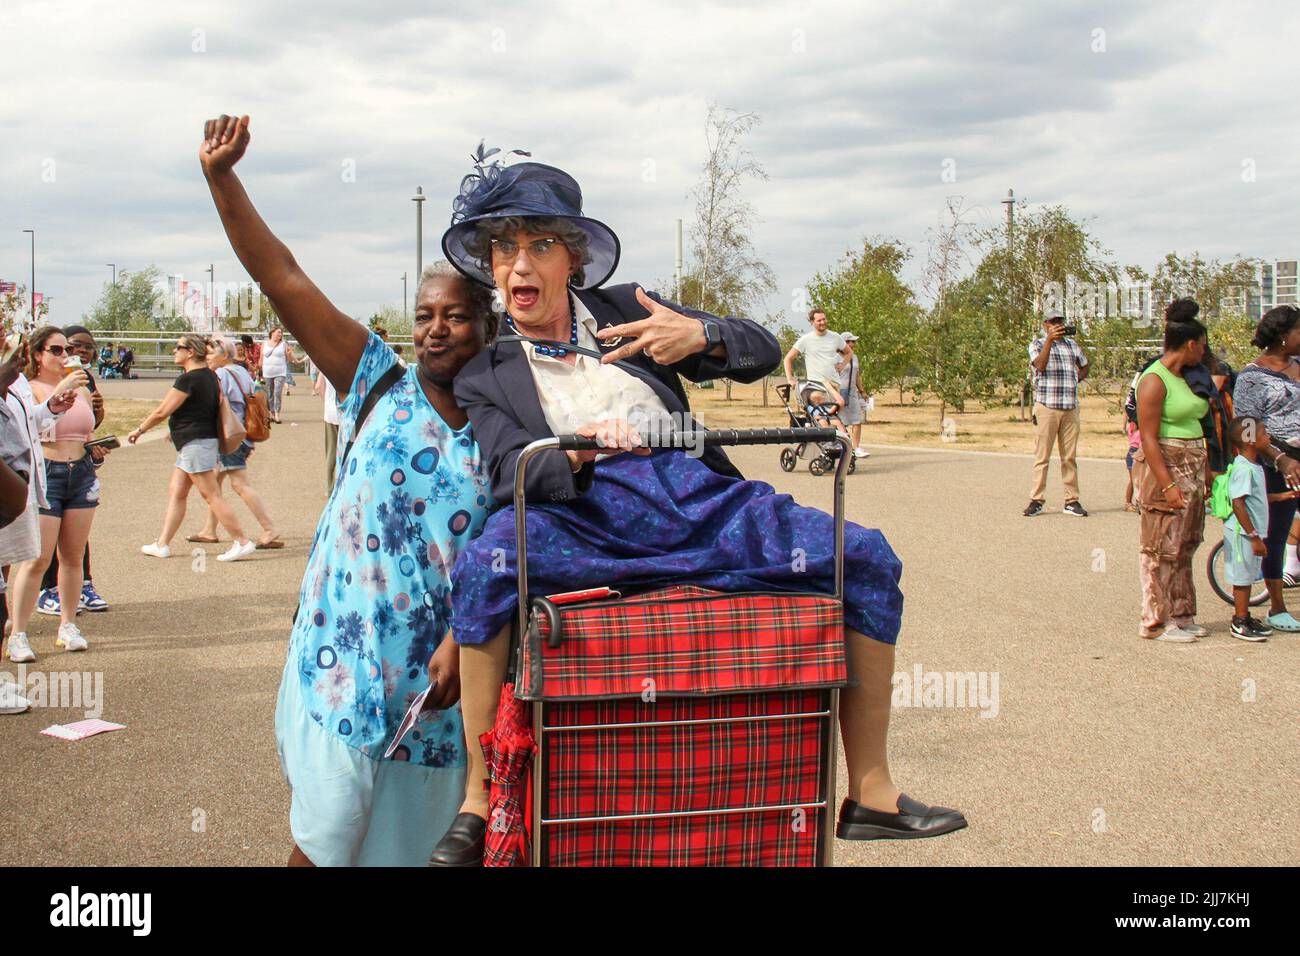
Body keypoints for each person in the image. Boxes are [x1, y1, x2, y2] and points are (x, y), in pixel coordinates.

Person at [431, 155, 965, 866]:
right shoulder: (487, 371)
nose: (518, 264)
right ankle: (478, 797)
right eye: (503, 248)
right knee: (489, 561)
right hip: (581, 517)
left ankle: (870, 792)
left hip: (693, 496)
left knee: (864, 554)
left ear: (574, 259)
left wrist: (699, 336)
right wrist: (582, 452)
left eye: (538, 245)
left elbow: (763, 350)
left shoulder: (632, 308)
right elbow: (508, 471)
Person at [201, 112, 498, 866]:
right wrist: (222, 180)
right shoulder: (376, 383)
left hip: (441, 691)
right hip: (343, 664)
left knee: (417, 852)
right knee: (325, 841)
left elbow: (523, 549)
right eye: (425, 316)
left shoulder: (510, 431)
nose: (435, 329)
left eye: (456, 316)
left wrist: (469, 637)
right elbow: (283, 277)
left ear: (487, 330)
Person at [6, 327, 99, 658]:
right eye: (57, 350)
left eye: (67, 350)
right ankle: (18, 632)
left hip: (82, 473)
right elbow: (28, 430)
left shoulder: (82, 390)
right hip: (49, 474)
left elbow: (85, 431)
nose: (65, 356)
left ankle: (68, 624)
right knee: (38, 559)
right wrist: (57, 393)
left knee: (72, 556)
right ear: (38, 354)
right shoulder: (24, 390)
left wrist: (95, 448)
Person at [129, 333, 257, 562]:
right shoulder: (210, 376)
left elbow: (162, 410)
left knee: (212, 496)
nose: (173, 352)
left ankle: (242, 541)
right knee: (177, 491)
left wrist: (140, 430)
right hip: (198, 441)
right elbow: (200, 408)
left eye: (178, 347)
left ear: (190, 352)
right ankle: (162, 543)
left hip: (196, 443)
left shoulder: (189, 379)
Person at [1131, 310, 1212, 642]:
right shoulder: (1153, 380)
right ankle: (1156, 621)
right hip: (1165, 467)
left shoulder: (1189, 376)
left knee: (1186, 543)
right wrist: (1168, 483)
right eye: (1203, 345)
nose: (1205, 352)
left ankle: (1182, 615)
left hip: (1192, 464)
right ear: (1190, 344)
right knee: (1161, 546)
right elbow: (1148, 438)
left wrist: (1203, 471)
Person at [1231, 304, 1300, 632]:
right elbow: (1245, 428)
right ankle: (1276, 607)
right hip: (1278, 465)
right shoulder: (1252, 377)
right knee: (1275, 535)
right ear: (1284, 337)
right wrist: (1280, 459)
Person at [36, 325, 110, 617]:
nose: (78, 352)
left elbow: (86, 426)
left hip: (79, 468)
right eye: (69, 347)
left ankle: (82, 587)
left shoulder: (83, 379)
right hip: (48, 467)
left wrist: (98, 412)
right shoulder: (33, 383)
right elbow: (37, 423)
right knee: (42, 548)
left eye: (85, 347)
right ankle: (46, 590)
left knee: (74, 545)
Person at [186, 337, 282, 549]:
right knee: (215, 485)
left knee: (240, 484)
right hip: (243, 434)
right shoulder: (241, 372)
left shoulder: (220, 375)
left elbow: (213, 406)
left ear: (225, 355)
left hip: (230, 437)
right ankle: (209, 530)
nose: (207, 358)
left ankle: (269, 528)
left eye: (211, 353)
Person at [1220, 416, 1278, 642]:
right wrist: (1254, 536)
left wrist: (1285, 495)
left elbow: (1256, 498)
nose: (1268, 437)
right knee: (1242, 580)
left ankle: (1245, 616)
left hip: (1250, 533)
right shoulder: (1243, 468)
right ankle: (1239, 622)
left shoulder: (1254, 466)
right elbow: (1238, 503)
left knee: (1248, 577)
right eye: (1263, 434)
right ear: (1250, 439)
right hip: (1242, 534)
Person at [1025, 315, 1089, 517]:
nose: (1057, 326)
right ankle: (1037, 500)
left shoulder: (1072, 345)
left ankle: (1072, 500)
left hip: (1070, 407)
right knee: (1042, 457)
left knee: (1069, 457)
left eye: (1060, 322)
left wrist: (1076, 378)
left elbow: (1085, 364)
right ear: (1045, 325)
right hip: (1047, 407)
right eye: (1053, 323)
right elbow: (1040, 365)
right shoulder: (1037, 344)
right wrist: (1050, 341)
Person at [784, 308, 846, 406]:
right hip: (816, 385)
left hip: (834, 384)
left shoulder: (835, 337)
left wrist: (843, 364)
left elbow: (849, 353)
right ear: (812, 322)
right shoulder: (806, 339)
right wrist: (790, 379)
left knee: (833, 416)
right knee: (822, 417)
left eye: (824, 319)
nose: (823, 322)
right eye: (819, 320)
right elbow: (788, 358)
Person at [836, 332, 870, 458]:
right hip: (839, 392)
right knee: (840, 420)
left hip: (852, 392)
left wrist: (862, 391)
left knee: (857, 419)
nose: (854, 344)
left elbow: (857, 375)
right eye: (851, 341)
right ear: (844, 343)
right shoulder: (835, 357)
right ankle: (841, 445)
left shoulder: (854, 357)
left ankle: (856, 447)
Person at [311, 359, 341, 490]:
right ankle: (344, 486)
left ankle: (329, 488)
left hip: (330, 414)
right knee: (348, 450)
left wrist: (327, 404)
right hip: (349, 416)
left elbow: (318, 387)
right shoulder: (351, 364)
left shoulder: (326, 364)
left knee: (331, 451)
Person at [261, 327, 293, 423]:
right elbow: (261, 359)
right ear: (272, 332)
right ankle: (271, 414)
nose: (280, 334)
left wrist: (290, 354)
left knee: (277, 393)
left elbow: (289, 360)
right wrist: (258, 370)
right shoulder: (264, 344)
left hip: (280, 372)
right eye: (278, 332)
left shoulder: (284, 344)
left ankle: (277, 414)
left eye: (281, 333)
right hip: (267, 372)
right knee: (269, 394)